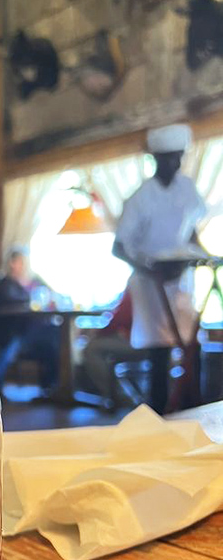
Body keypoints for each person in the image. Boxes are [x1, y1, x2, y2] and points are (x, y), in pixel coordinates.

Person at [113, 123, 208, 413]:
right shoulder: (141, 197)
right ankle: (158, 414)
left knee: (192, 343)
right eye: (168, 158)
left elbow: (190, 231)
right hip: (150, 282)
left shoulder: (187, 188)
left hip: (181, 279)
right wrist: (150, 270)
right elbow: (119, 247)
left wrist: (203, 255)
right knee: (160, 350)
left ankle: (194, 408)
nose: (174, 164)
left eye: (178, 157)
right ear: (155, 158)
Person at [0, 248, 60, 390]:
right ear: (10, 263)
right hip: (6, 331)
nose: (20, 265)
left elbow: (50, 294)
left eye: (22, 262)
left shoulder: (34, 280)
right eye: (17, 261)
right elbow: (8, 303)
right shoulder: (4, 284)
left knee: (54, 335)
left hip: (25, 330)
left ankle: (52, 386)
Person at [82, 289, 138, 405]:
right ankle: (118, 394)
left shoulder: (136, 282)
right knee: (98, 346)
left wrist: (99, 332)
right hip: (155, 340)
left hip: (139, 343)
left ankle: (115, 395)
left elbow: (121, 317)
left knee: (92, 348)